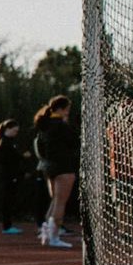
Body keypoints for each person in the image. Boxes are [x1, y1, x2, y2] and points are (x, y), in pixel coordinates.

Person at [33, 94, 79, 249]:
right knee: (60, 202)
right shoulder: (60, 125)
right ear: (62, 109)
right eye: (67, 109)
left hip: (49, 167)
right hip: (64, 166)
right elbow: (75, 142)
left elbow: (39, 147)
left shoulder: (44, 125)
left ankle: (46, 233)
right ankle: (54, 236)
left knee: (54, 201)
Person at [0, 117, 31, 235]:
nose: (15, 133)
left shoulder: (11, 142)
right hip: (9, 176)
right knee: (7, 200)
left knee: (10, 200)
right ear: (7, 129)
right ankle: (7, 226)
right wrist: (22, 157)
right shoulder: (5, 143)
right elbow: (9, 160)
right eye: (14, 131)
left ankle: (8, 224)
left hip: (12, 175)